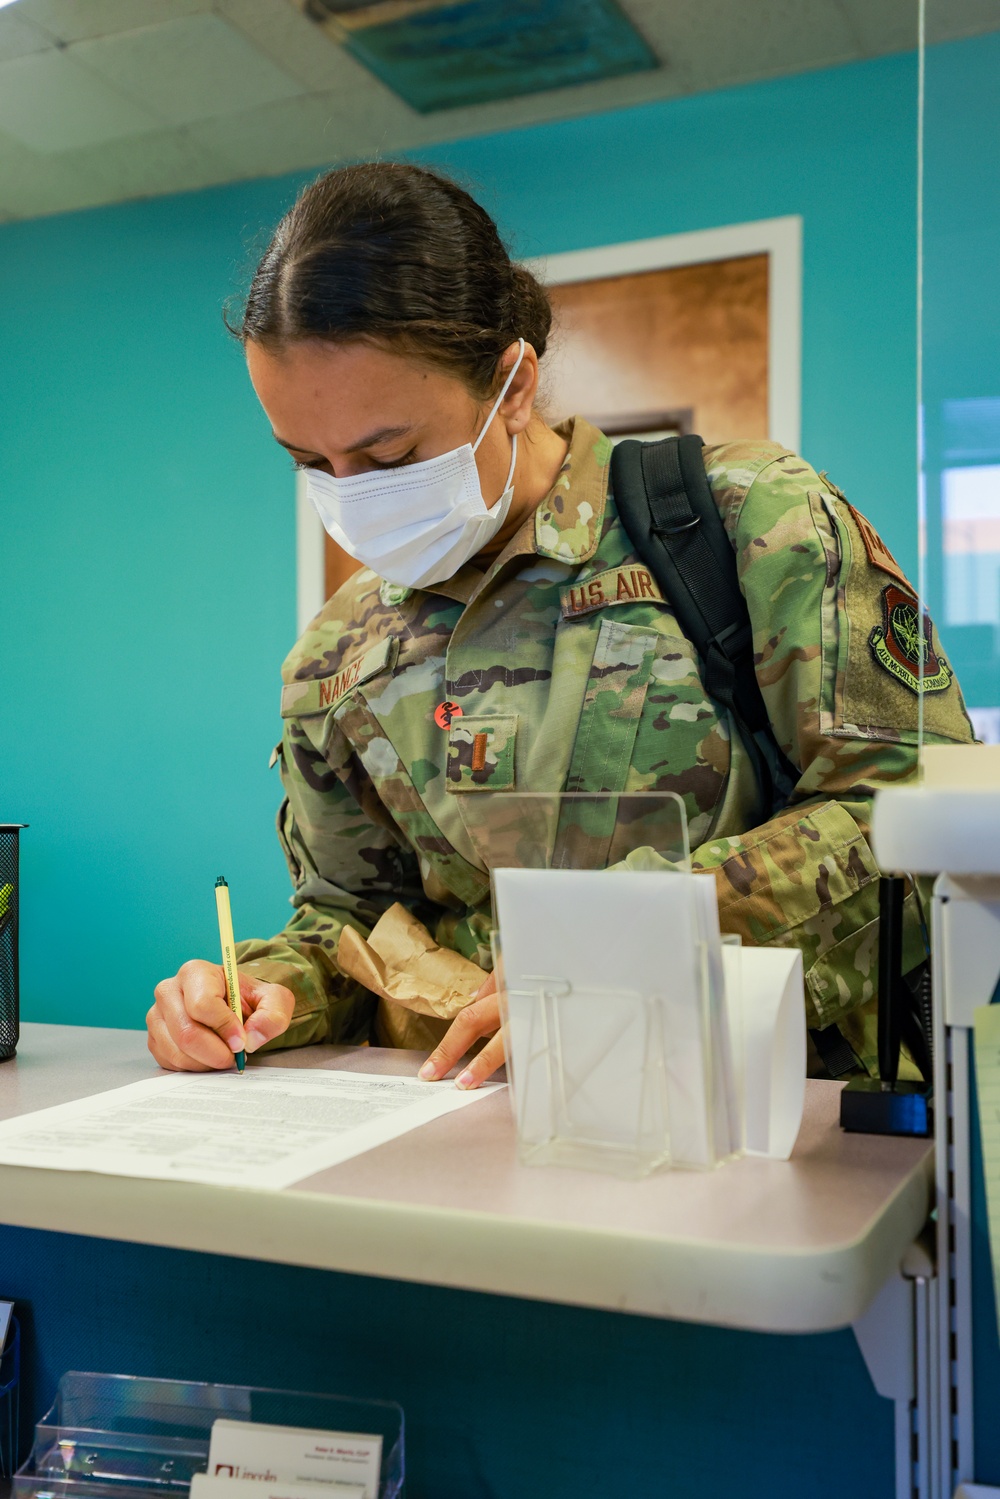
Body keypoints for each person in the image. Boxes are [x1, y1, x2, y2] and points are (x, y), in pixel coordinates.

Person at [146, 161, 973, 1085]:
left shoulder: (742, 522)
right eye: (309, 460)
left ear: (514, 384)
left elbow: (912, 819)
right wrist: (259, 989)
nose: (351, 497)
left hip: (755, 1110)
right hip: (466, 1134)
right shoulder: (336, 655)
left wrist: (632, 938)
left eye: (390, 454)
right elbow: (348, 914)